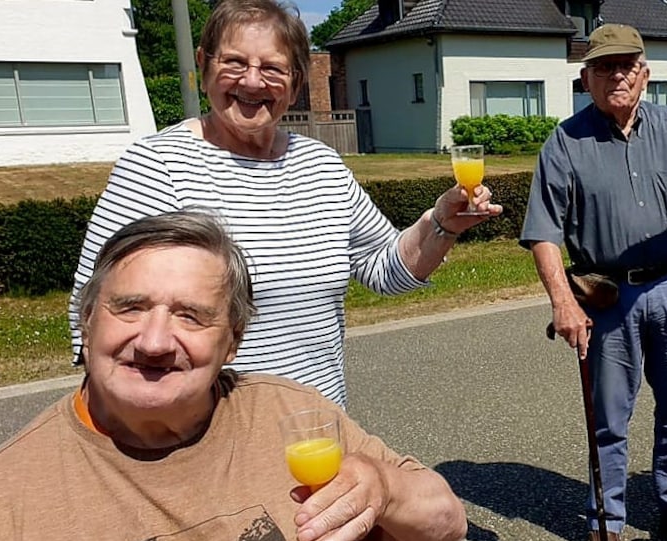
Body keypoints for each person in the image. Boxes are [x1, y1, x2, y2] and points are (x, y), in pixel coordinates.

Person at [0, 212, 467, 541]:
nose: (153, 342)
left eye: (190, 316)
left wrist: (383, 489)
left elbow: (446, 524)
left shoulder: (287, 412)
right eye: (130, 308)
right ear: (86, 321)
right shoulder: (2, 500)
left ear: (232, 342)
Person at [69, 0, 500, 407]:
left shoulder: (320, 165)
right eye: (235, 62)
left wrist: (440, 225)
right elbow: (90, 312)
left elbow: (383, 268)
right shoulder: (157, 166)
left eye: (273, 68)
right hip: (200, 436)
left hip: (314, 422)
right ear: (203, 65)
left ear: (295, 85)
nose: (253, 82)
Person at [519, 23, 667, 541]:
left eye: (627, 65)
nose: (617, 74)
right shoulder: (565, 142)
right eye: (605, 66)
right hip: (608, 293)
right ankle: (606, 521)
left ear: (645, 74)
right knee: (610, 417)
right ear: (586, 78)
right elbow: (544, 232)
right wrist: (562, 302)